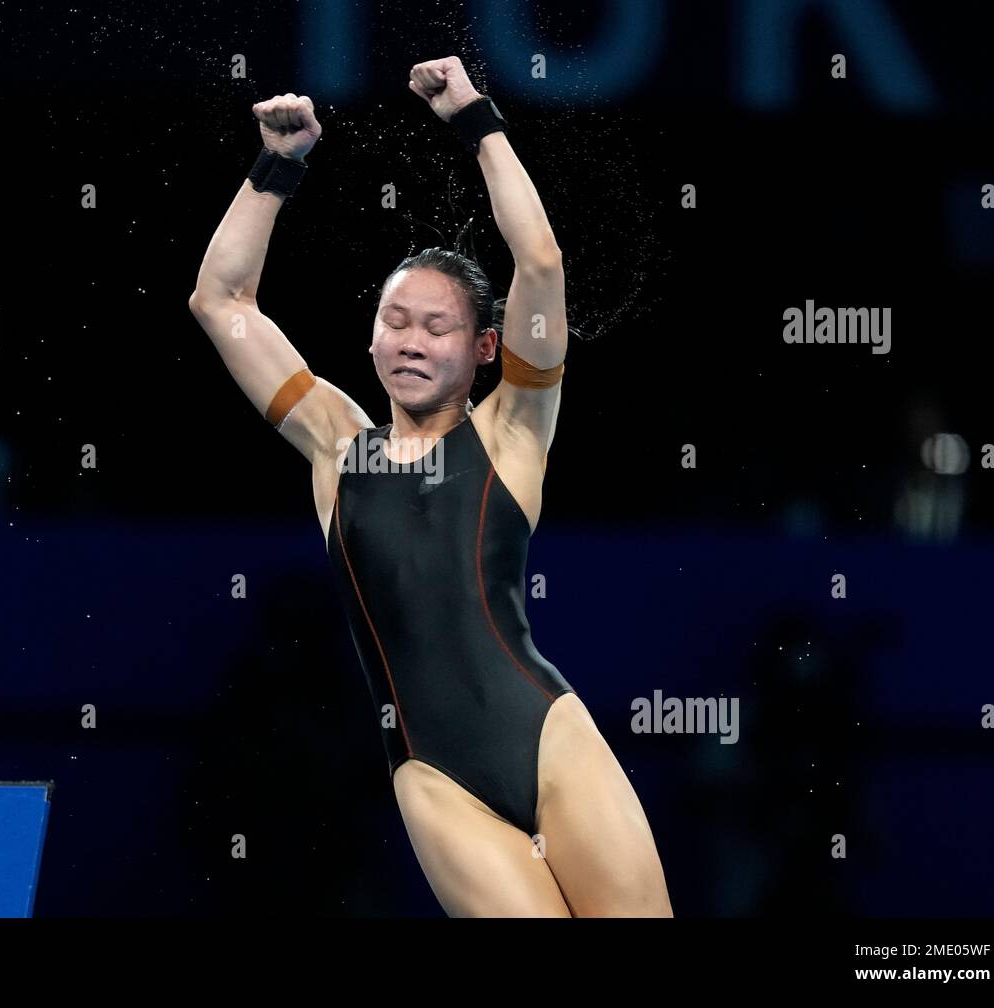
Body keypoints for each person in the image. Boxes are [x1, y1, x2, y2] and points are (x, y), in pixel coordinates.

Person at [189, 56, 672, 917]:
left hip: (549, 737)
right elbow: (221, 301)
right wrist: (277, 165)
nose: (411, 341)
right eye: (394, 322)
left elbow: (541, 258)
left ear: (485, 349)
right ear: (371, 341)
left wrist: (477, 122)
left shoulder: (511, 433)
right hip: (435, 775)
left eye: (438, 326)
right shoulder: (338, 449)